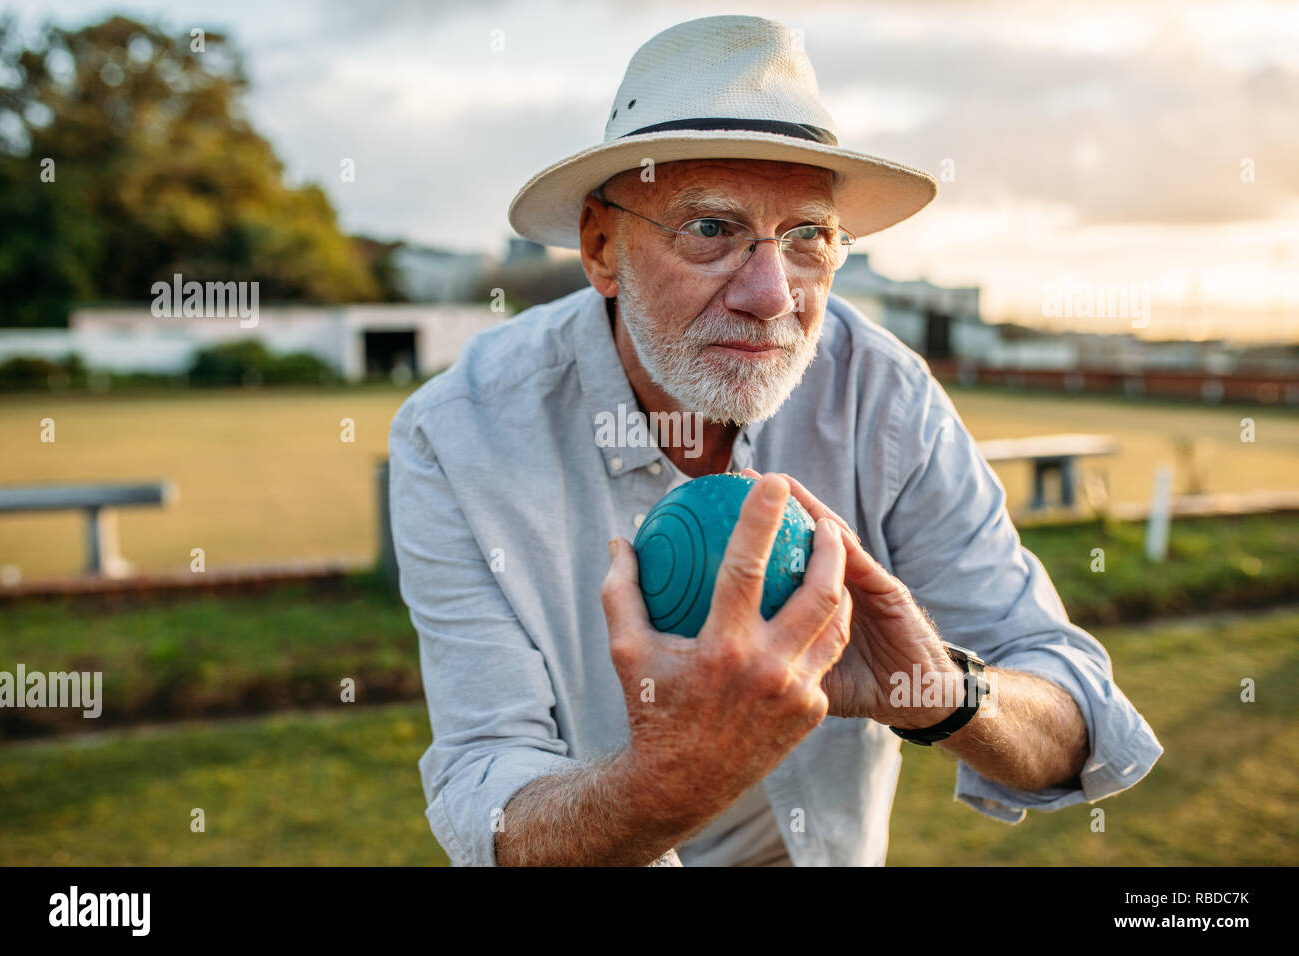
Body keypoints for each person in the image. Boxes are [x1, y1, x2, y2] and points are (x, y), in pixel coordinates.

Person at [388, 15, 1162, 866]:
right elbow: (487, 793)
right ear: (601, 247)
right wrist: (673, 778)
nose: (771, 293)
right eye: (711, 229)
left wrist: (935, 689)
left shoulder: (882, 394)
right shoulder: (459, 433)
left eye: (808, 238)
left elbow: (1080, 716)